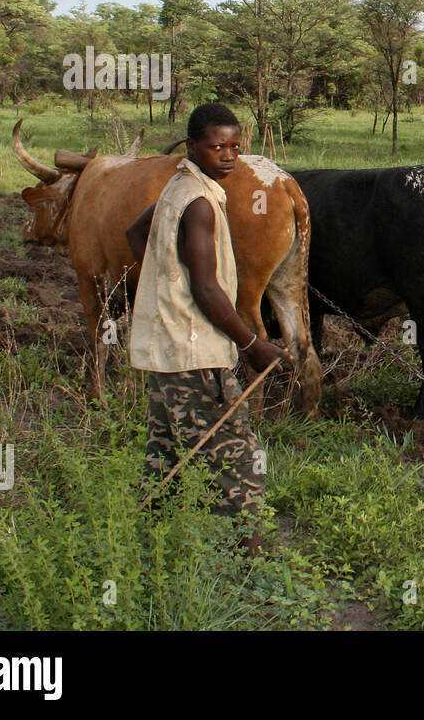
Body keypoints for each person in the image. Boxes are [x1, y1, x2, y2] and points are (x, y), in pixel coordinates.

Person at [126, 103, 290, 548]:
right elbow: (206, 289)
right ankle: (257, 565)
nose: (228, 156)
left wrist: (167, 281)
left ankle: (150, 548)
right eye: (216, 147)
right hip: (196, 351)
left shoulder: (178, 187)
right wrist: (253, 343)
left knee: (165, 454)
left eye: (235, 146)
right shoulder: (198, 204)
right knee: (238, 456)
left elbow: (136, 234)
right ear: (192, 146)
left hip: (166, 351)